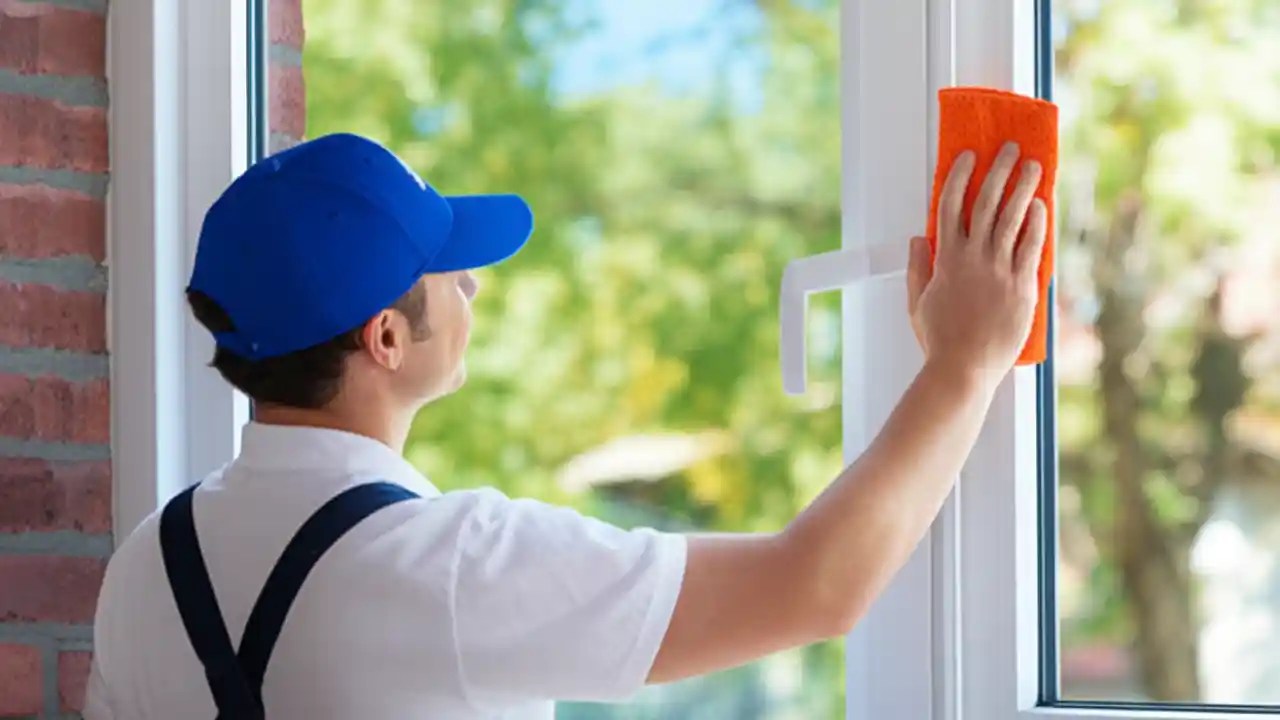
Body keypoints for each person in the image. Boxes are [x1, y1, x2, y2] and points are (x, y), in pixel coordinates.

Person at [84, 132, 1045, 719]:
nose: (471, 285)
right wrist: (965, 364)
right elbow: (815, 586)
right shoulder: (452, 565)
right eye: (448, 272)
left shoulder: (145, 566)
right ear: (384, 338)